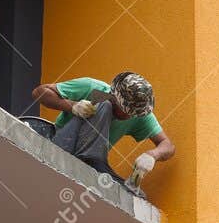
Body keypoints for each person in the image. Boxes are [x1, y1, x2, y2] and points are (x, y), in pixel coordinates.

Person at [30, 72, 176, 192]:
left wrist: (152, 155)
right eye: (125, 110)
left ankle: (92, 166)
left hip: (96, 164)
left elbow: (168, 145)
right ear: (115, 96)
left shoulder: (138, 114)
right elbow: (39, 92)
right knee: (102, 102)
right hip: (62, 144)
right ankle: (88, 160)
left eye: (132, 114)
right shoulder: (93, 87)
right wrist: (72, 106)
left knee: (134, 194)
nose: (128, 116)